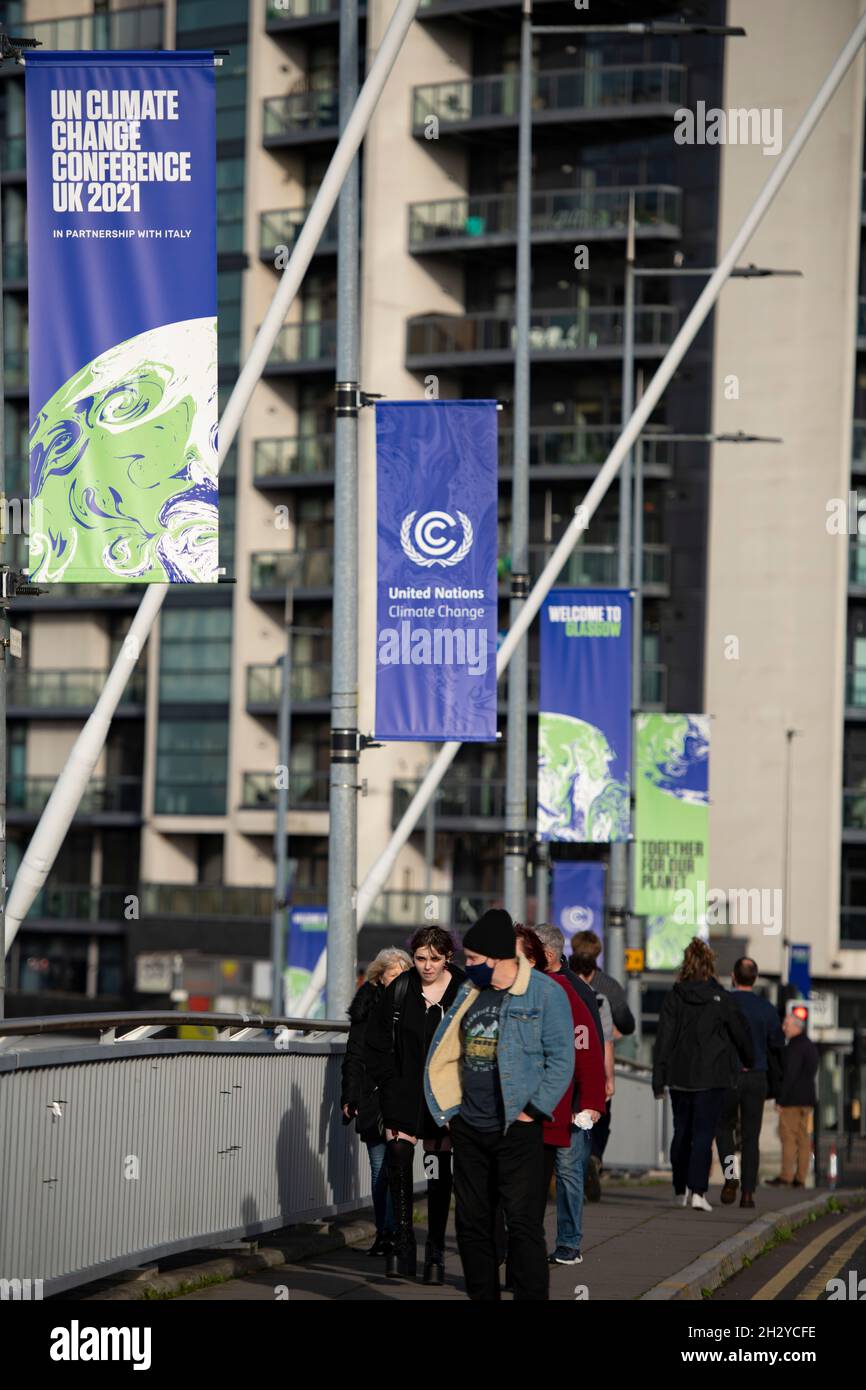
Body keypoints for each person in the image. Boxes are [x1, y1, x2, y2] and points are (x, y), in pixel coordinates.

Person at [424, 908, 574, 1301]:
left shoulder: (545, 993)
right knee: (473, 1225)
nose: (467, 966)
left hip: (517, 1127)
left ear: (496, 957)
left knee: (523, 1224)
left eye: (472, 959)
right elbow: (448, 1048)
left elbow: (561, 1060)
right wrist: (451, 1113)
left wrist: (532, 1111)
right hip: (469, 1127)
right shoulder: (471, 991)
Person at [364, 926, 465, 1283]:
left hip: (443, 1098)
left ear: (448, 957)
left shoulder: (463, 991)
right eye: (420, 958)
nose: (426, 966)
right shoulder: (402, 988)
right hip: (403, 1094)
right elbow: (376, 1042)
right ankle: (402, 1241)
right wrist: (387, 1083)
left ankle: (434, 1250)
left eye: (434, 959)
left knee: (438, 1172)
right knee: (398, 1161)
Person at [514, 926, 606, 1266]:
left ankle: (568, 1242)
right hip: (538, 1104)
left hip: (570, 1103)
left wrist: (589, 1103)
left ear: (544, 956)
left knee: (567, 1172)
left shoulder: (573, 992)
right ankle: (527, 1242)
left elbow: (588, 1048)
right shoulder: (528, 988)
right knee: (535, 1177)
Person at [652, 937, 753, 1211]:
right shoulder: (721, 998)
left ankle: (679, 1189)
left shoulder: (675, 996)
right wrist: (749, 1060)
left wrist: (658, 1077)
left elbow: (664, 1039)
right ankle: (702, 1190)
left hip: (680, 1075)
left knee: (681, 1134)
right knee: (707, 1135)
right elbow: (740, 1034)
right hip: (713, 1077)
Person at [341, 947, 413, 1256]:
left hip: (401, 1096)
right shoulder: (365, 1009)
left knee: (396, 1167)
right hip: (371, 1096)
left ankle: (399, 1231)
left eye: (402, 975)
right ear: (380, 977)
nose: (397, 980)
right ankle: (384, 1232)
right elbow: (354, 1055)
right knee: (378, 1167)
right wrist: (349, 1095)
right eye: (392, 974)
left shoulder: (414, 1008)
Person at [715, 957, 785, 1209]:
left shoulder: (724, 1003)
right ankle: (747, 1193)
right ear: (754, 979)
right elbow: (778, 1045)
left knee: (724, 1130)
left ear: (733, 976)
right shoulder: (766, 1008)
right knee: (751, 1137)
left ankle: (730, 1176)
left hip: (728, 1076)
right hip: (757, 1076)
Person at [569, 932, 627, 1200]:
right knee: (597, 1120)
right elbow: (614, 1035)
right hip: (593, 1067)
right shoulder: (607, 991)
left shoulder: (559, 984)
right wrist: (609, 1079)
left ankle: (566, 1175)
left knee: (569, 1122)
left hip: (565, 1069)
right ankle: (592, 1159)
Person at [766, 1009, 819, 1189]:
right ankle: (801, 1177)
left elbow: (790, 1074)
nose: (783, 1028)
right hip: (807, 1100)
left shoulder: (794, 1047)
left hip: (792, 1100)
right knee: (803, 1138)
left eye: (786, 1025)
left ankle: (786, 1175)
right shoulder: (810, 1046)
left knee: (788, 1137)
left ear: (797, 1027)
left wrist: (780, 1099)